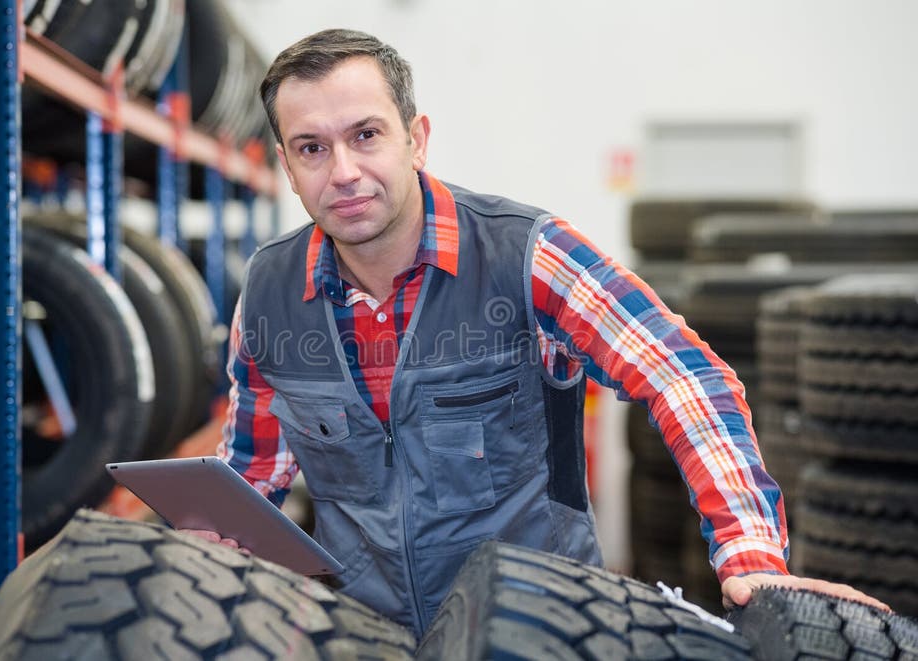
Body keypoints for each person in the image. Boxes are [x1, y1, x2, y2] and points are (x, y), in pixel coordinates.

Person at [213, 28, 885, 637]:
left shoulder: (527, 256)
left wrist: (753, 560)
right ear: (286, 164)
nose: (345, 171)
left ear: (416, 138)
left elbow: (683, 375)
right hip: (365, 636)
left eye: (366, 135)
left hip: (536, 631)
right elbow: (250, 476)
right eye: (312, 148)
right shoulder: (269, 295)